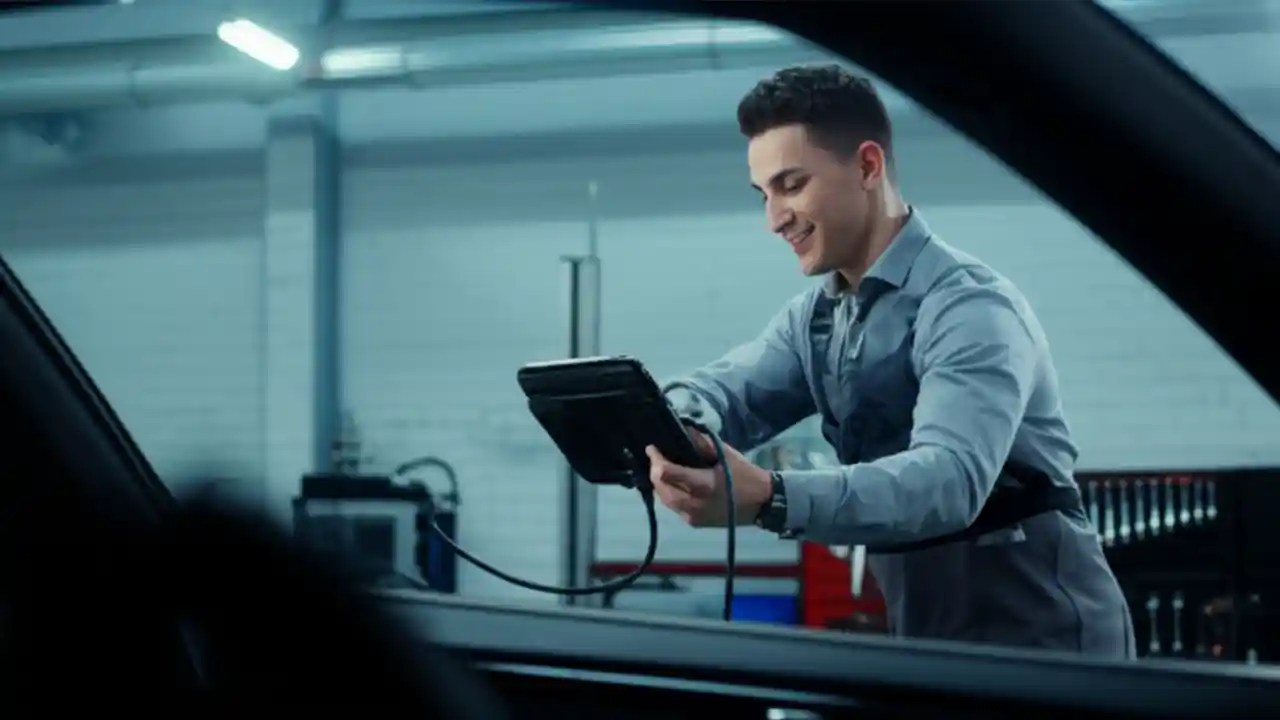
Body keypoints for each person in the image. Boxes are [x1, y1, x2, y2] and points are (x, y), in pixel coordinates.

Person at [646, 64, 1135, 658]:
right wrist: (661, 422)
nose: (774, 219)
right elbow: (728, 393)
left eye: (792, 185)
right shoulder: (816, 322)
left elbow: (949, 480)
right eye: (765, 194)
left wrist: (770, 496)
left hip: (1049, 644)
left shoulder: (969, 306)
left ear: (868, 166)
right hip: (930, 639)